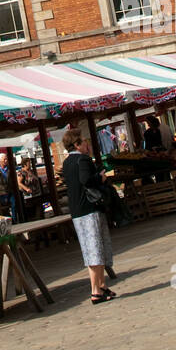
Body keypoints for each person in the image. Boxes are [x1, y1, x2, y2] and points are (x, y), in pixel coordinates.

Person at [60, 127, 117, 305]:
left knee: (95, 247)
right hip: (88, 208)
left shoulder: (67, 162)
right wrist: (99, 178)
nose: (87, 144)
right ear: (77, 144)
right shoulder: (82, 159)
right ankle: (95, 290)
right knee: (94, 249)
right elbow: (86, 180)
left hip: (78, 210)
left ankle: (102, 286)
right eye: (84, 141)